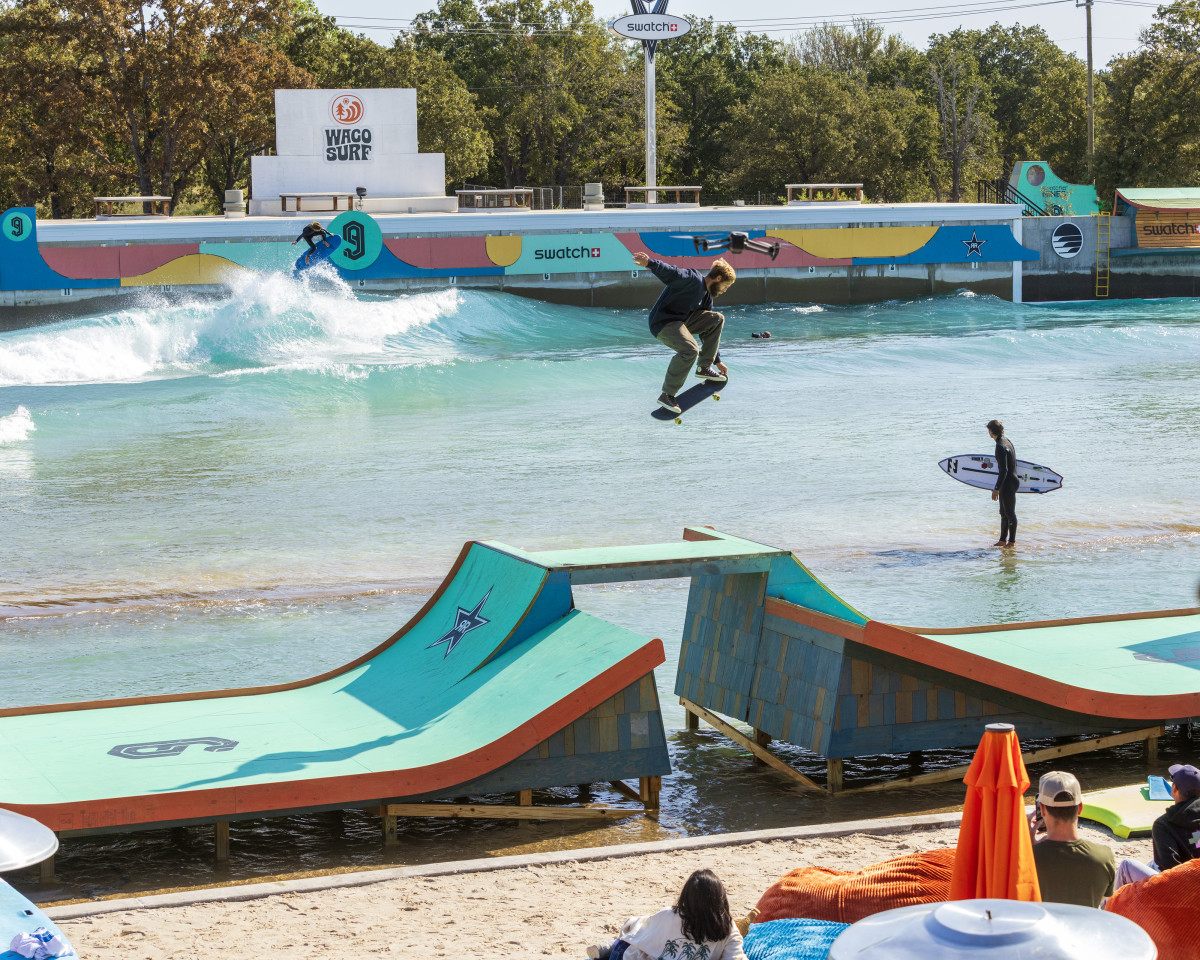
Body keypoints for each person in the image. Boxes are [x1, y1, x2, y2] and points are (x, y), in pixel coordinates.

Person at [632, 251, 735, 414]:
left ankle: (704, 367)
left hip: (682, 323)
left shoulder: (707, 297)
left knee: (717, 319)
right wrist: (650, 263)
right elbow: (671, 272)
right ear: (719, 278)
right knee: (690, 350)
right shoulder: (693, 279)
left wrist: (717, 361)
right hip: (662, 322)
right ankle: (667, 395)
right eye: (726, 286)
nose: (725, 290)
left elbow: (707, 331)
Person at [586, 868, 746, 960]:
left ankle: (609, 946)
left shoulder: (671, 915)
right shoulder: (727, 928)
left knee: (629, 939)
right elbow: (736, 957)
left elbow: (635, 927)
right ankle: (609, 947)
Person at [1028, 770, 1115, 907]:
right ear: (1080, 808)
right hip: (1084, 928)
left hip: (1043, 927)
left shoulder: (1028, 860)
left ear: (1042, 810)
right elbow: (1102, 898)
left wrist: (1028, 849)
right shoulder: (1104, 856)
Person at [1115, 763, 1200, 888]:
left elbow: (1170, 872)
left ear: (1174, 789)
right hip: (1194, 879)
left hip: (1182, 891)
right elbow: (1195, 840)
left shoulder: (1164, 824)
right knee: (1151, 863)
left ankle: (1107, 907)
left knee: (1126, 866)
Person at [987, 419, 1019, 548]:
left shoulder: (1000, 446)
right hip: (1011, 480)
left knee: (1010, 513)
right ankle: (1002, 540)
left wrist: (996, 488)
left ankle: (1011, 542)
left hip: (1008, 483)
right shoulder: (1007, 441)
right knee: (1003, 512)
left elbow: (1003, 470)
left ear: (991, 431)